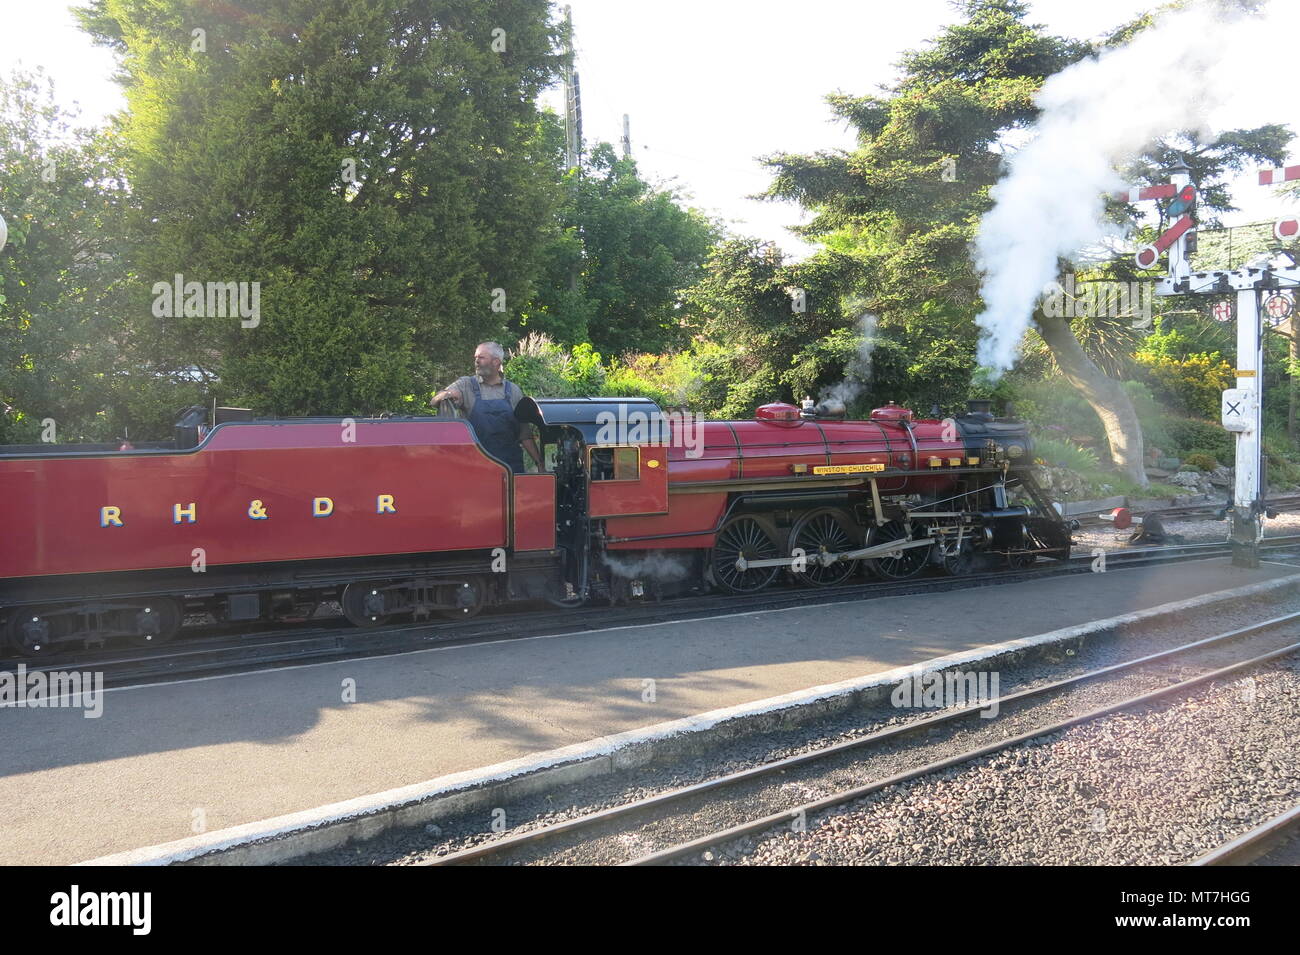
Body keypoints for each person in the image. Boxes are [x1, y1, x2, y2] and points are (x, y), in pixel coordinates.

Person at [432, 342, 542, 473]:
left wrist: (539, 463)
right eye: (475, 358)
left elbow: (524, 434)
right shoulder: (465, 385)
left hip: (509, 467)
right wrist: (448, 394)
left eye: (481, 357)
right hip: (474, 468)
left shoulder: (514, 391)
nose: (476, 361)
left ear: (496, 362)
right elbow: (434, 401)